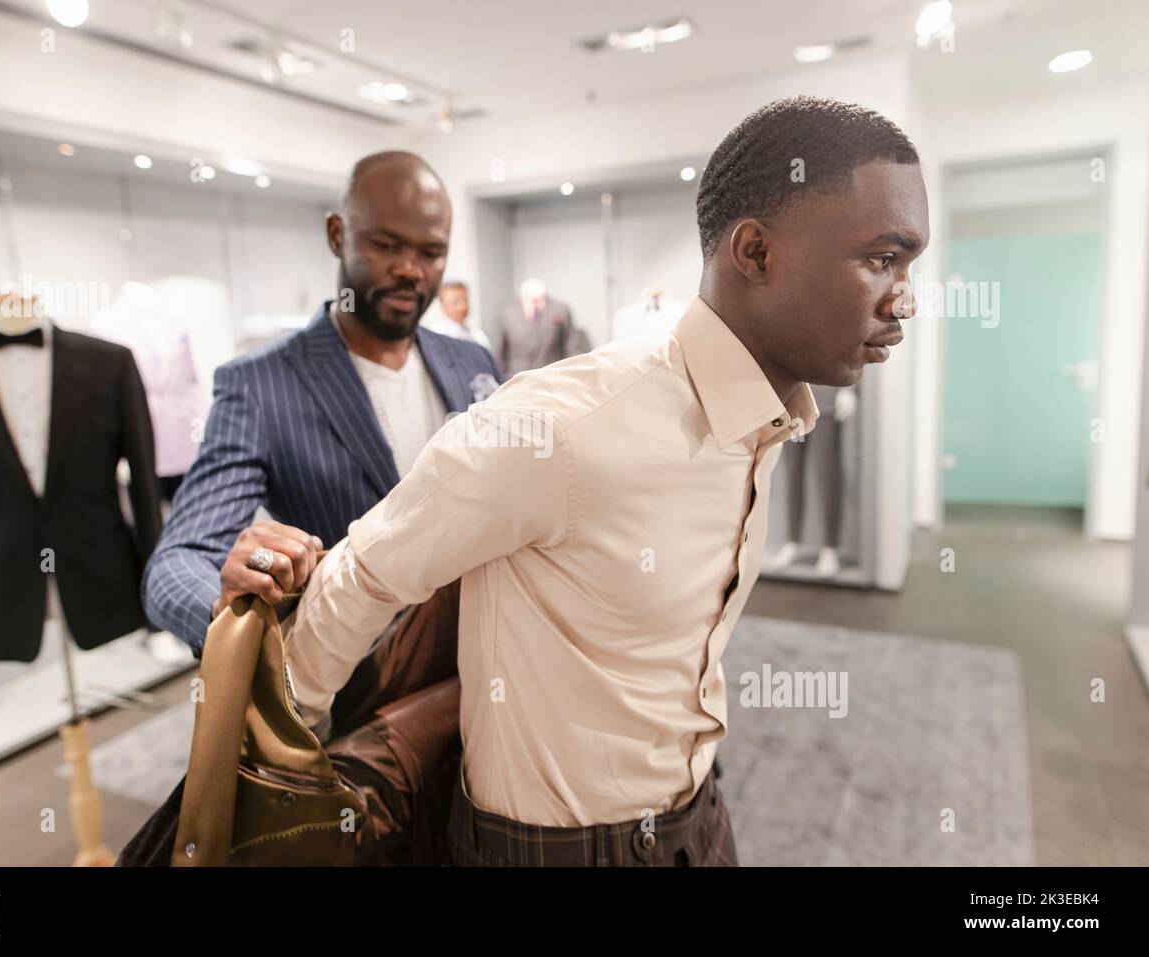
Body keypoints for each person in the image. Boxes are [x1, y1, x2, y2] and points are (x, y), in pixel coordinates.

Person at [274, 96, 928, 866]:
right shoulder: (560, 427)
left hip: (699, 818)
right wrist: (286, 761)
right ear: (755, 252)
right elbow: (367, 570)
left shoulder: (767, 418)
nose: (905, 299)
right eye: (883, 260)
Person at [131, 150, 501, 865]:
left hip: (485, 690)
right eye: (386, 245)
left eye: (430, 252)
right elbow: (173, 562)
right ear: (338, 235)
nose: (410, 271)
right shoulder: (261, 383)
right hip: (357, 717)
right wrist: (235, 596)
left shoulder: (473, 365)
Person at [496, 277, 576, 374]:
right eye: (530, 301)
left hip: (551, 375)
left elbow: (570, 347)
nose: (534, 305)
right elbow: (500, 349)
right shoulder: (507, 312)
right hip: (517, 377)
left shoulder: (560, 310)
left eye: (538, 300)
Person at [422, 279, 494, 352]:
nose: (463, 306)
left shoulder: (477, 335)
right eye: (456, 302)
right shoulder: (436, 337)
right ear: (442, 305)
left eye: (465, 300)